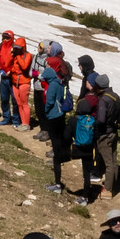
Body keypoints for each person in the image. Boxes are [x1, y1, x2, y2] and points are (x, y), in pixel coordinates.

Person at [37, 42, 74, 193]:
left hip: (53, 115)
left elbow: (50, 101)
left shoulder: (52, 85)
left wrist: (46, 111)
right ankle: (59, 154)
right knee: (59, 137)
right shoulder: (59, 83)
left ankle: (57, 177)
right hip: (59, 114)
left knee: (55, 138)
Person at [88, 74, 120, 200]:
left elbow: (102, 119)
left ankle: (108, 190)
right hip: (114, 132)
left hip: (104, 134)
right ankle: (113, 184)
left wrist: (94, 123)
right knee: (113, 161)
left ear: (99, 86)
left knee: (108, 162)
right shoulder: (114, 96)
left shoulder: (103, 99)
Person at [7, 37, 35, 131]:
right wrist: (12, 55)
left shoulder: (28, 55)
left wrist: (18, 56)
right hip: (15, 82)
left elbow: (24, 66)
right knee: (19, 103)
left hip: (24, 82)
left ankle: (26, 124)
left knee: (24, 104)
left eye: (18, 48)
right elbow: (9, 65)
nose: (17, 49)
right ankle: (22, 123)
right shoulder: (14, 55)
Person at [0, 32, 19, 126]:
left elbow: (17, 62)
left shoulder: (15, 48)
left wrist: (11, 71)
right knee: (4, 98)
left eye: (7, 37)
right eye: (4, 37)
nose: (5, 39)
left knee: (15, 100)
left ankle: (16, 120)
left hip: (12, 77)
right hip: (3, 76)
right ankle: (6, 117)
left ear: (12, 38)